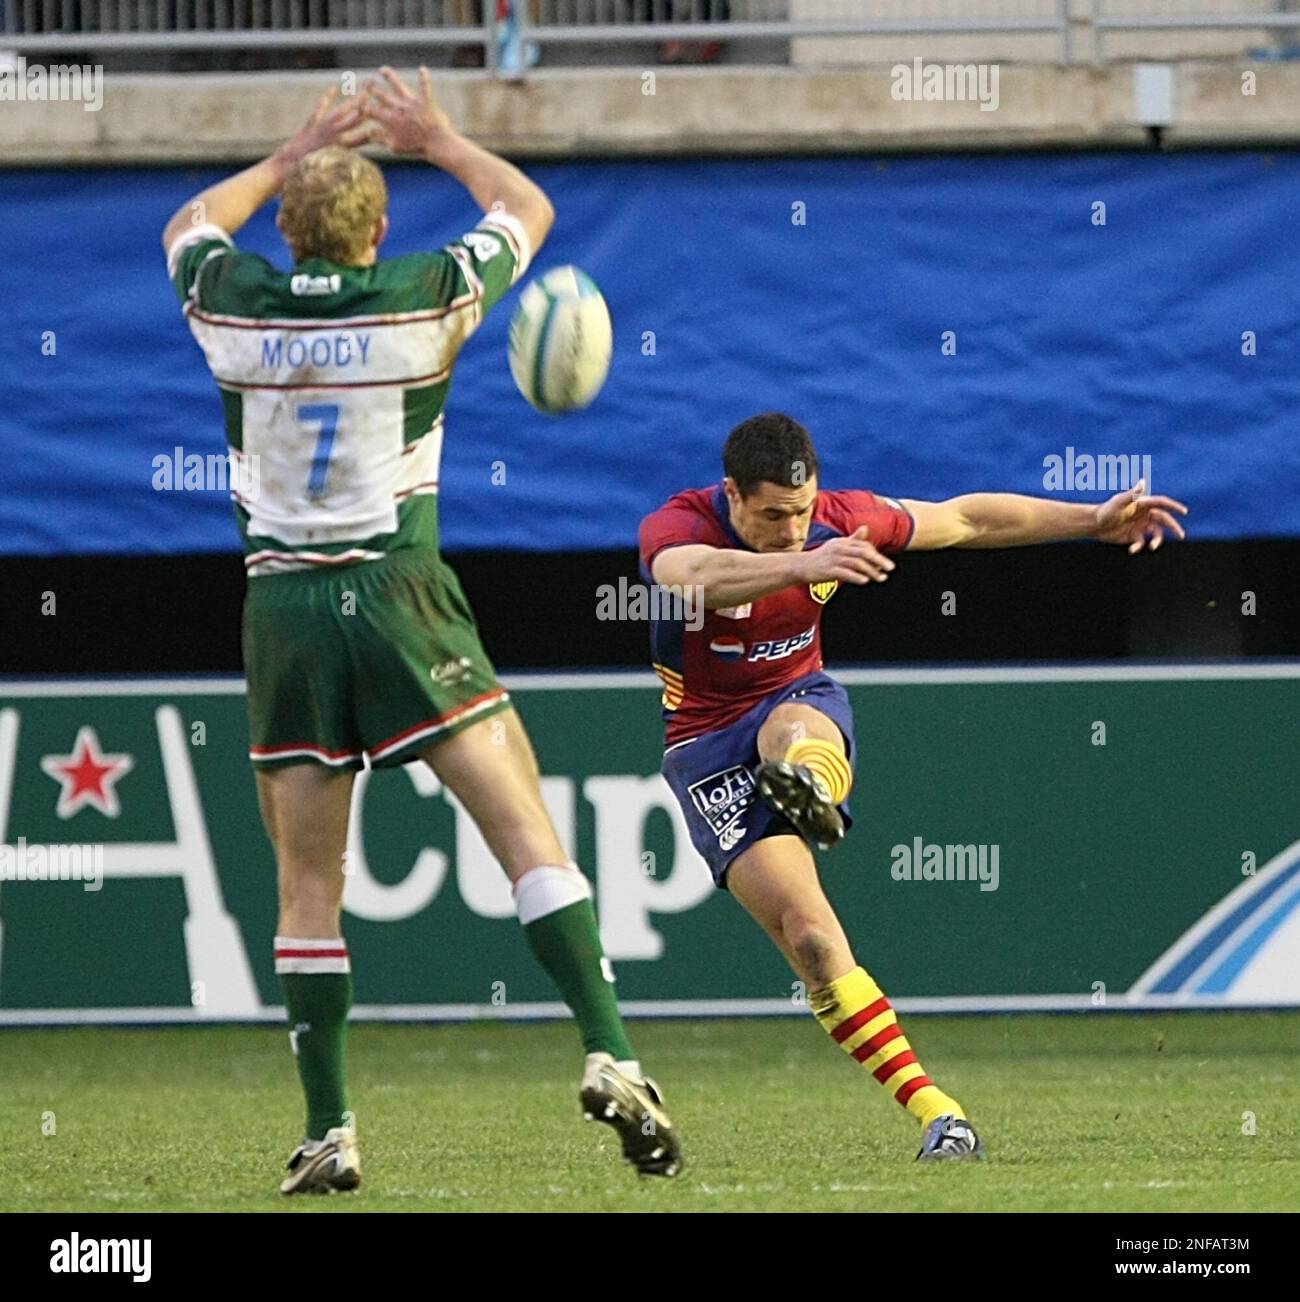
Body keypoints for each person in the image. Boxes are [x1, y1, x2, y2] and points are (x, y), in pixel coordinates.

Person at [161, 69, 681, 1193]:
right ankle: (611, 1049)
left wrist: (293, 144)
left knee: (308, 884)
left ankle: (331, 1128)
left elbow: (190, 226)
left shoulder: (234, 306)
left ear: (290, 228)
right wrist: (439, 137)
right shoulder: (425, 294)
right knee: (522, 830)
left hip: (285, 610)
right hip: (401, 591)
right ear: (380, 227)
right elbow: (528, 212)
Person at [639, 411, 1188, 1160]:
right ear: (731, 494)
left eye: (801, 514)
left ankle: (810, 788)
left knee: (790, 736)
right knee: (812, 943)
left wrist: (1089, 520)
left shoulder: (840, 521)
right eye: (771, 517)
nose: (793, 531)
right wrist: (803, 567)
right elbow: (687, 577)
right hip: (705, 744)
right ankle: (940, 1111)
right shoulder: (677, 524)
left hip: (793, 702)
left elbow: (963, 519)